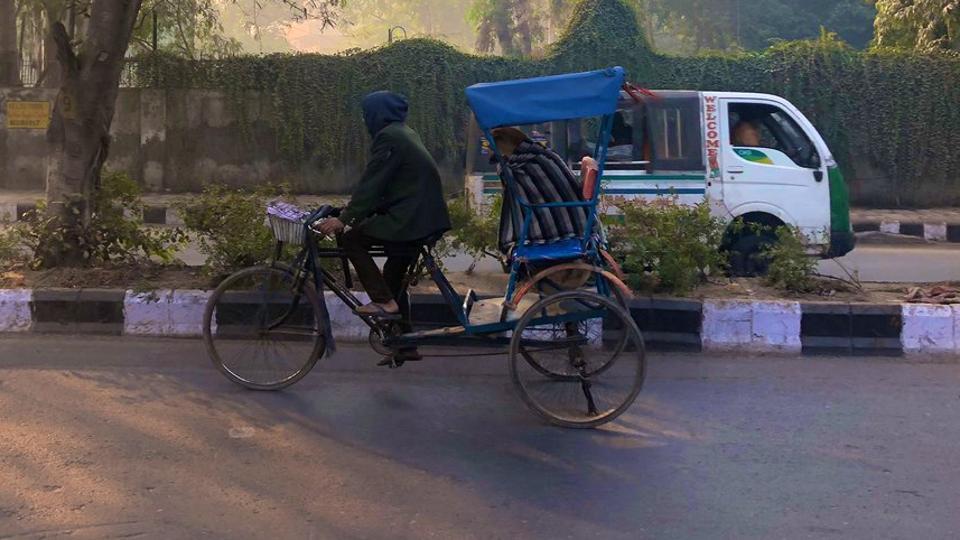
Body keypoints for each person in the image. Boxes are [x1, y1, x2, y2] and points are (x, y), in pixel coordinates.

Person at [318, 91, 450, 362]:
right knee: (393, 275)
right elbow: (390, 186)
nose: (365, 120)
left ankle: (382, 301)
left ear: (377, 115)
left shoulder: (388, 137)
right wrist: (350, 210)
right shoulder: (404, 133)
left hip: (411, 218)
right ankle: (405, 344)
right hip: (420, 217)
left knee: (352, 239)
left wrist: (345, 219)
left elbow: (373, 183)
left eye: (366, 114)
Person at [491, 127, 588, 257]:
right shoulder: (544, 154)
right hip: (580, 221)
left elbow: (508, 179)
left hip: (559, 229)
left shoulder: (519, 165)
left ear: (503, 143)